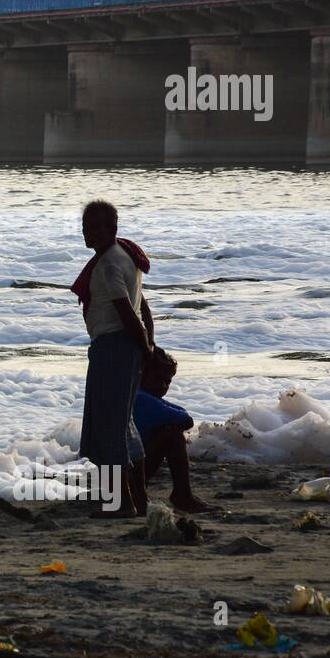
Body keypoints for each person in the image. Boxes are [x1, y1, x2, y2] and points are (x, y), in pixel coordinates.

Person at [71, 199, 154, 518]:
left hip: (114, 348)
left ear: (112, 229)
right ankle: (139, 499)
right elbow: (141, 306)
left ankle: (120, 503)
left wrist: (145, 348)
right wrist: (148, 342)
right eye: (85, 227)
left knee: (109, 426)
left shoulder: (107, 264)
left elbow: (126, 312)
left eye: (93, 227)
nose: (87, 233)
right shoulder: (125, 254)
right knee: (124, 423)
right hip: (124, 347)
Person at [134, 348, 219, 514]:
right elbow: (186, 420)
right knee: (173, 436)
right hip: (123, 475)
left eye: (168, 382)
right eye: (157, 378)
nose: (162, 386)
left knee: (167, 427)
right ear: (141, 374)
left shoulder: (136, 396)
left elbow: (179, 413)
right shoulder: (140, 398)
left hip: (117, 475)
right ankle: (182, 495)